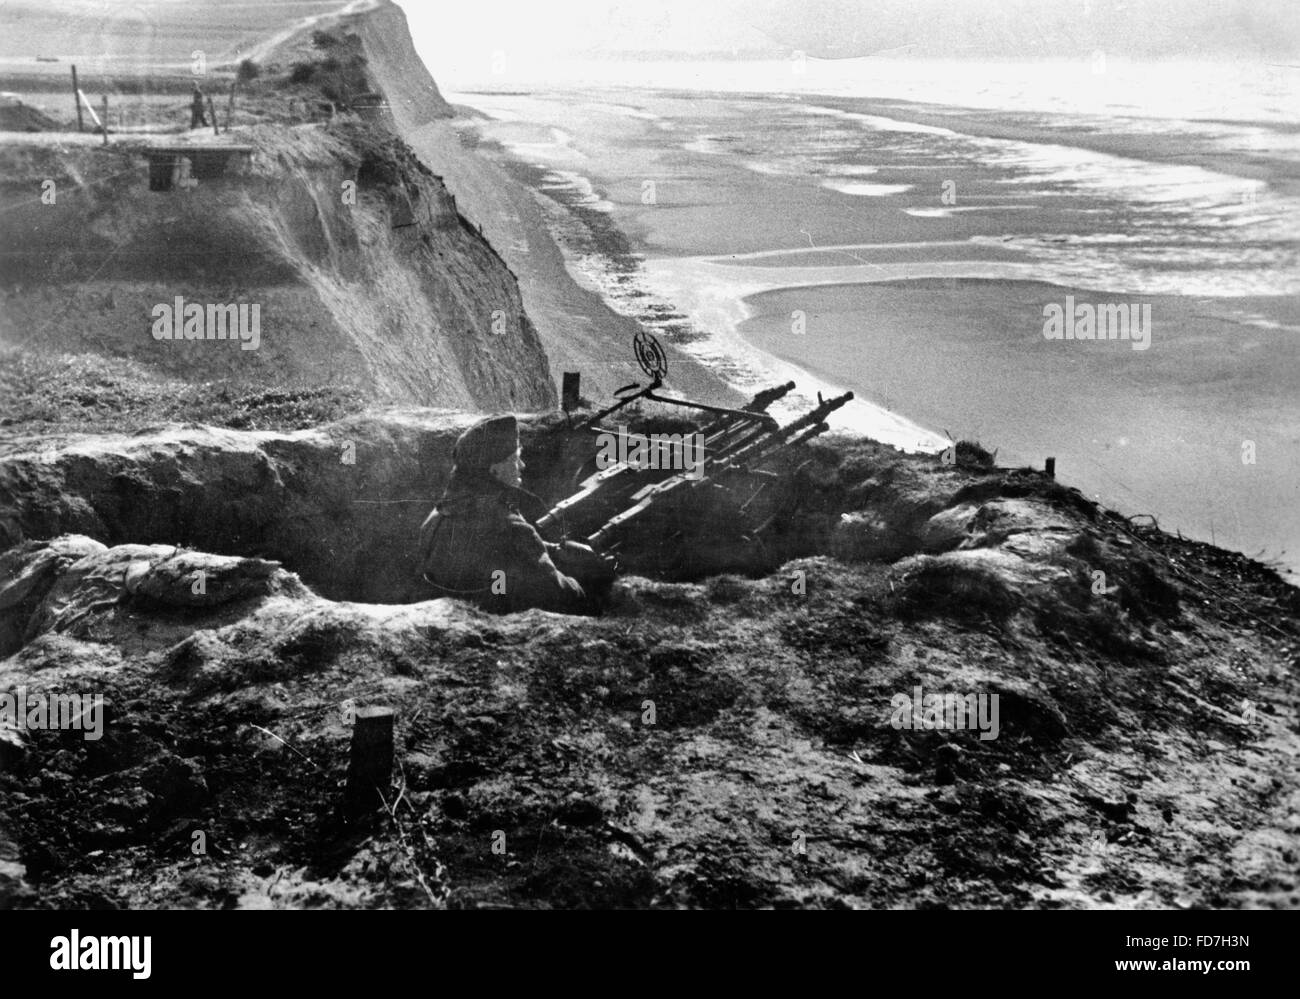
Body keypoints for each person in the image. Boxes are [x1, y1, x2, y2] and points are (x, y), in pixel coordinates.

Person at [419, 414, 616, 614]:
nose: (522, 465)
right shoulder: (511, 527)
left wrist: (554, 551)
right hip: (492, 625)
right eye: (515, 458)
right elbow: (561, 596)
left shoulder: (436, 517)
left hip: (448, 613)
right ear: (494, 471)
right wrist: (586, 582)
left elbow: (499, 552)